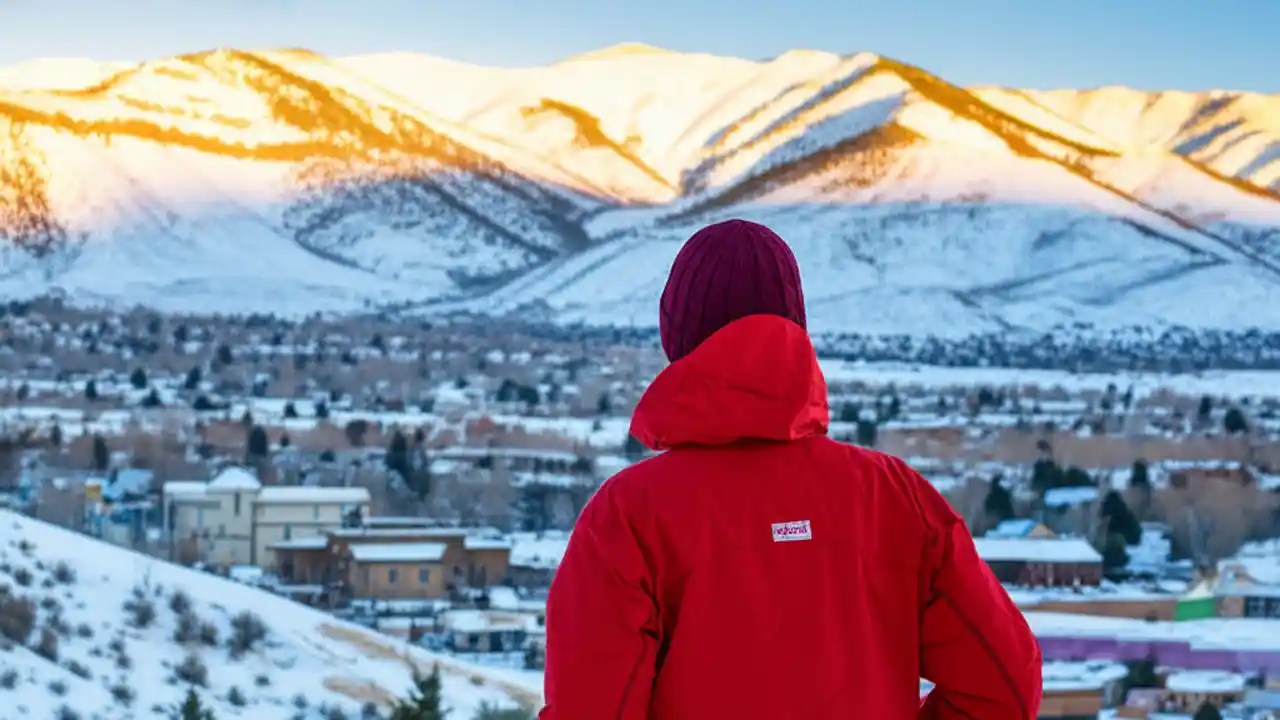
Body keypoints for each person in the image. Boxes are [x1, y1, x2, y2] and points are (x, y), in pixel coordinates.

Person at [539, 219, 1041, 719]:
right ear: (796, 328)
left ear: (676, 337)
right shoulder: (893, 497)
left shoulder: (629, 515)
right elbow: (1004, 690)